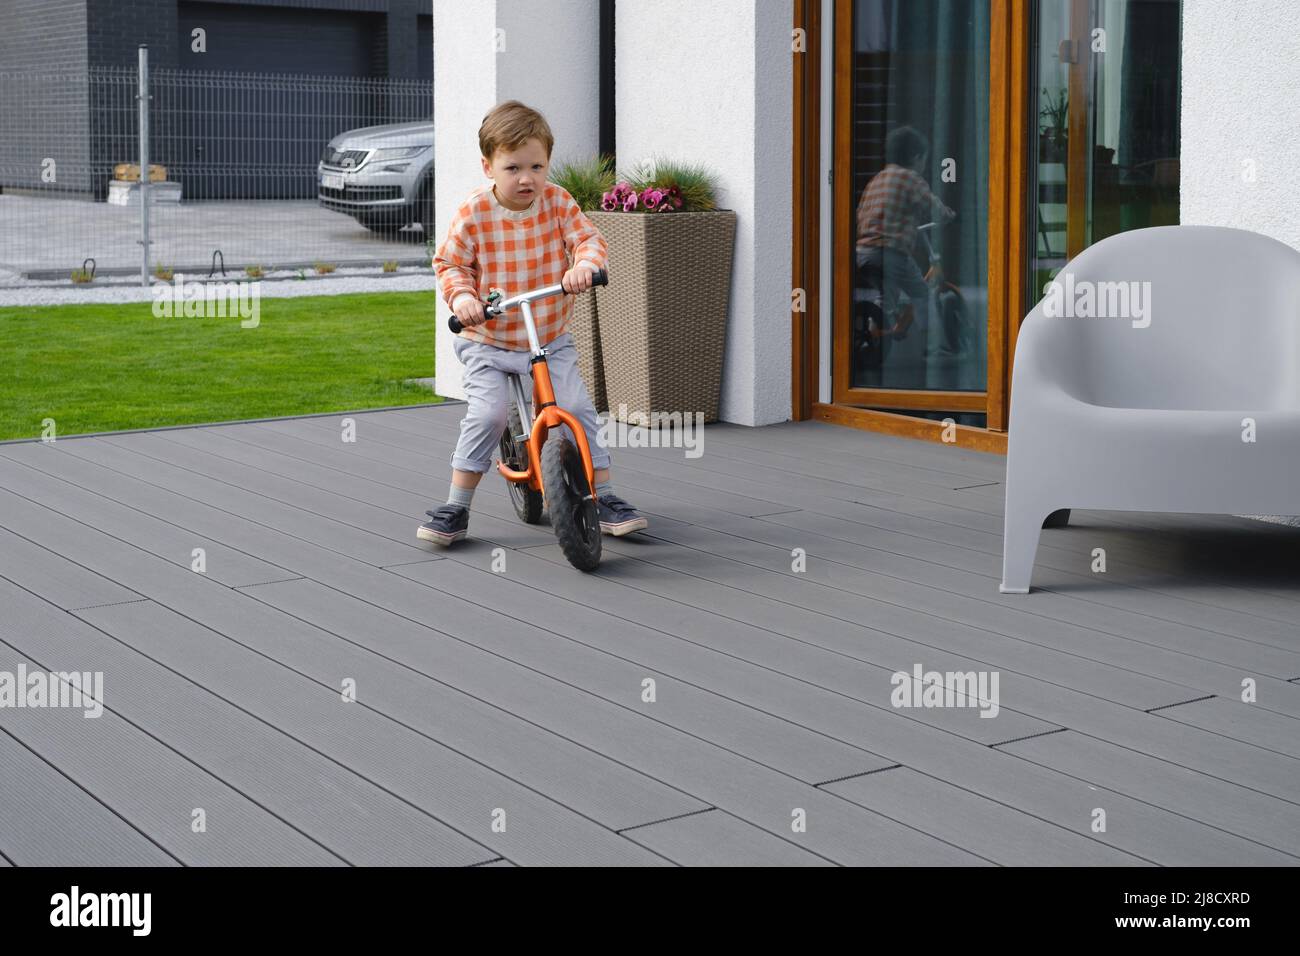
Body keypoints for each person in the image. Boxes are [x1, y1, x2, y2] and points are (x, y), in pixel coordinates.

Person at [421, 100, 648, 546]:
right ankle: (455, 506)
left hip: (547, 337)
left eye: (537, 166)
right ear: (488, 167)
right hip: (488, 338)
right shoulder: (474, 213)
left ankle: (604, 496)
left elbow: (587, 239)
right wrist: (463, 297)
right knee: (488, 414)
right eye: (513, 167)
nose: (527, 178)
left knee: (579, 411)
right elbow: (450, 264)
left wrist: (584, 264)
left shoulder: (557, 201)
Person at [856, 125, 956, 345]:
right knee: (922, 294)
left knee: (886, 294)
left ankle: (871, 338)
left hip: (863, 252)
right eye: (924, 161)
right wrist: (947, 215)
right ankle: (933, 347)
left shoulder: (878, 179)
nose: (923, 166)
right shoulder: (910, 178)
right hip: (889, 251)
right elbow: (930, 203)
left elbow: (860, 212)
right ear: (915, 157)